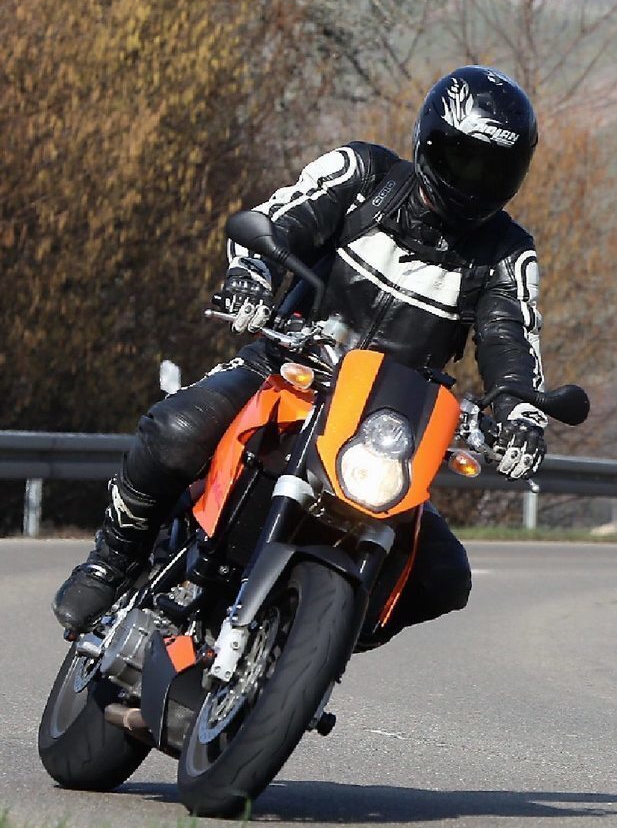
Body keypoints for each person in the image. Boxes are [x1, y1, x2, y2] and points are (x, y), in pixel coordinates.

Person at [51, 65, 549, 641]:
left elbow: (513, 340)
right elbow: (278, 221)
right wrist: (252, 274)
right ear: (429, 142)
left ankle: (310, 644)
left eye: (495, 169)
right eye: (464, 160)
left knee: (444, 578)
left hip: (388, 426)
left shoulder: (507, 255)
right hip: (288, 372)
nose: (475, 182)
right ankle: (111, 560)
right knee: (176, 431)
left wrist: (519, 413)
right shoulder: (362, 177)